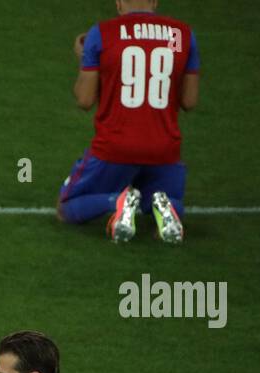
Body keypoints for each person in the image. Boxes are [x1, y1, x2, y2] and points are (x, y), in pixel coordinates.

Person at [58, 0, 201, 243]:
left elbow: (84, 99)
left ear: (119, 3)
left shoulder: (102, 33)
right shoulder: (183, 35)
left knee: (65, 208)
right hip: (164, 150)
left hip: (114, 148)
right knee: (165, 198)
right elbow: (189, 101)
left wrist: (87, 59)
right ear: (155, 2)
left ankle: (118, 201)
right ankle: (166, 208)